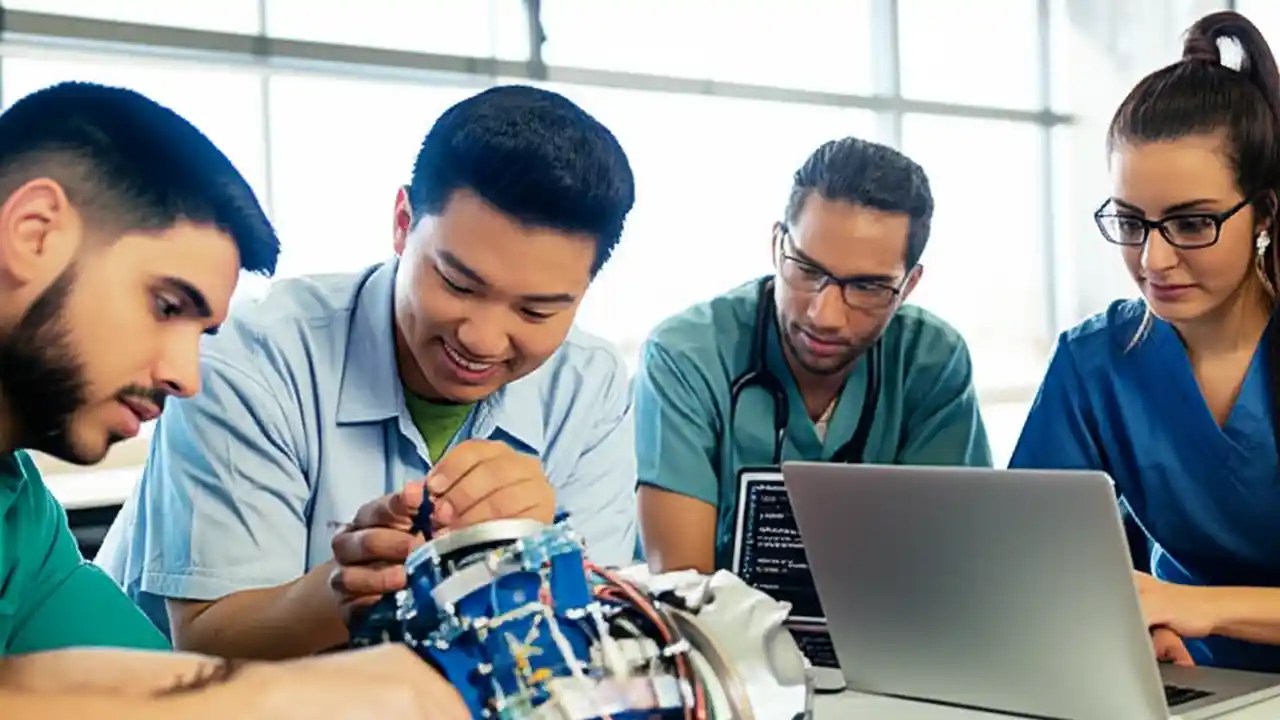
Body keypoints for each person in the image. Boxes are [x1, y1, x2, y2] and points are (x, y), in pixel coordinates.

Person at [96, 84, 639, 660]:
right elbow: (210, 639)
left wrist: (537, 553)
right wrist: (353, 589)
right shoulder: (252, 358)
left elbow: (601, 628)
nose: (481, 339)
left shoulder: (592, 387)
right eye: (457, 283)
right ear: (404, 223)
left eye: (536, 310)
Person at [0, 82, 467, 717]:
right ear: (33, 233)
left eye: (202, 332)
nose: (187, 378)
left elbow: (145, 684)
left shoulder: (23, 517)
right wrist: (289, 694)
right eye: (166, 306)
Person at [1009, 11, 1280, 674]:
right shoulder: (1094, 364)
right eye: (1130, 222)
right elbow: (1029, 566)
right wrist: (1123, 628)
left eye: (1191, 223)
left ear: (1265, 215)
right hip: (1182, 678)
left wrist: (1202, 607)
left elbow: (1183, 601)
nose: (1153, 259)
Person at [634, 137, 993, 573]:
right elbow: (683, 591)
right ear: (776, 245)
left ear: (908, 287)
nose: (824, 315)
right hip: (713, 638)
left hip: (879, 637)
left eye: (866, 287)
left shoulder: (931, 362)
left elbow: (946, 569)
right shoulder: (686, 356)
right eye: (806, 270)